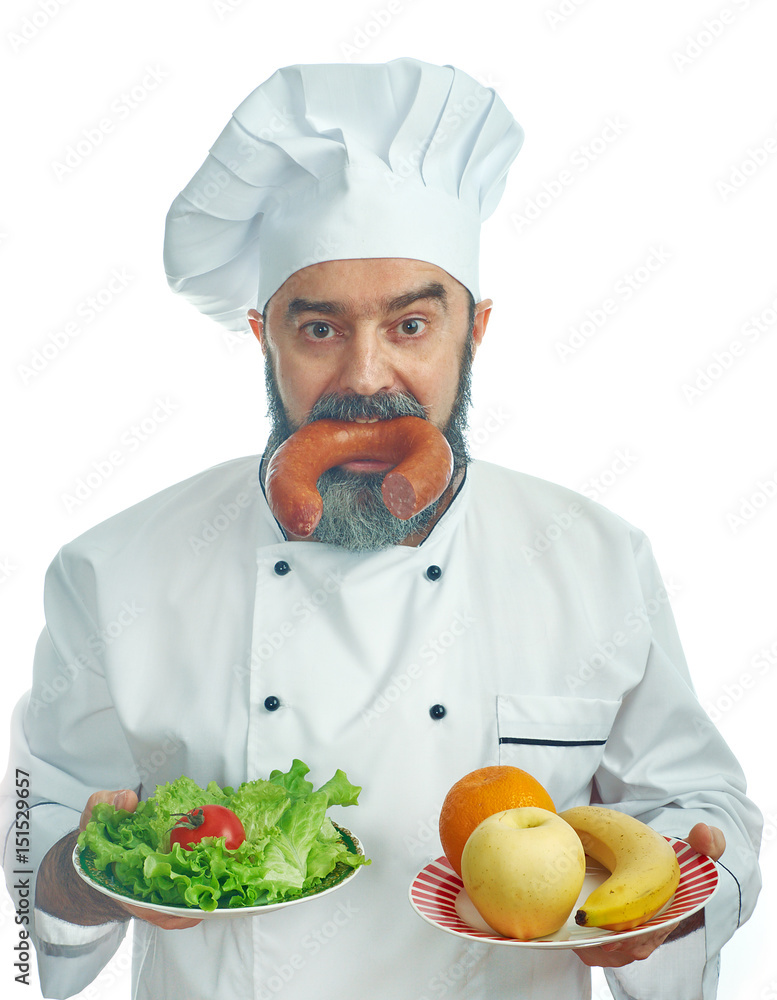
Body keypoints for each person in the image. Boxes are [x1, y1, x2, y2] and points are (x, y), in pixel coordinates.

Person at [1, 58, 762, 1000]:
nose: (364, 378)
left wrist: (681, 900)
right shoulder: (112, 570)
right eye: (318, 330)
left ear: (474, 331)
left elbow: (701, 804)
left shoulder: (596, 559)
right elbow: (34, 827)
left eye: (409, 325)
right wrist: (84, 873)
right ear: (261, 334)